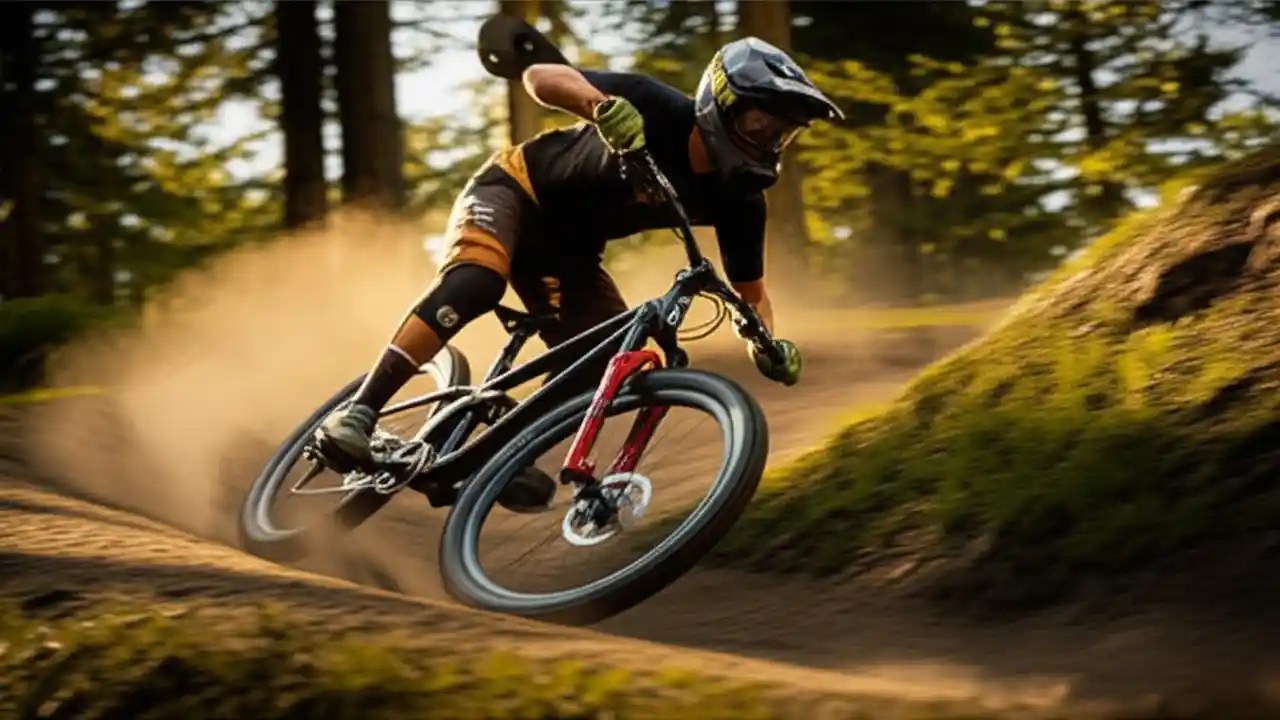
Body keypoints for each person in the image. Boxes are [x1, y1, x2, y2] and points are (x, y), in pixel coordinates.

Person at [316, 37, 845, 511]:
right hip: (513, 191)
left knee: (603, 362)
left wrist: (767, 342)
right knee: (477, 282)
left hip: (568, 255)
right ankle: (358, 414)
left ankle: (488, 456)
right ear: (722, 105)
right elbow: (541, 75)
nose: (771, 139)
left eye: (784, 131)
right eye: (762, 123)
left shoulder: (741, 202)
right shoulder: (658, 107)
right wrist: (600, 107)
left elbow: (751, 293)